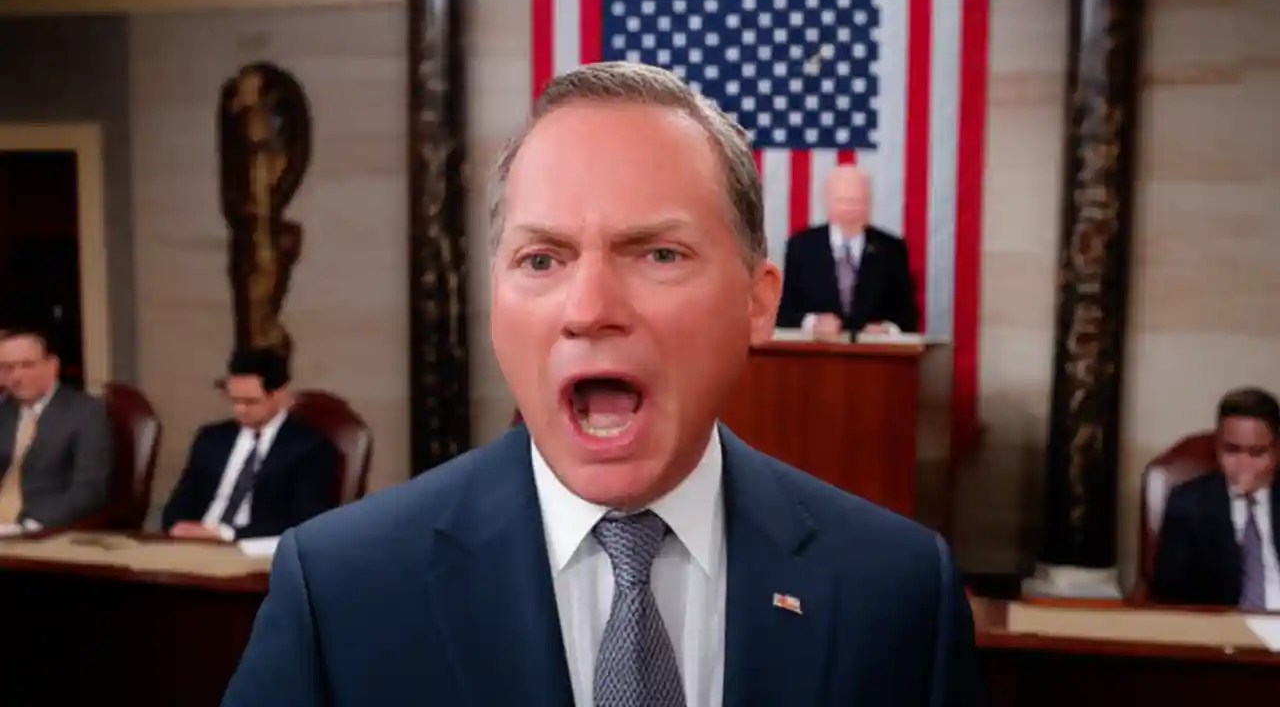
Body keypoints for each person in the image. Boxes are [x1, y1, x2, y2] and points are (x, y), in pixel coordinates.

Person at [224, 62, 982, 705]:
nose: (588, 311)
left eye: (657, 254)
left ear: (758, 301)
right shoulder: (339, 590)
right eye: (542, 261)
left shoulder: (903, 593)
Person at [162, 348, 338, 542]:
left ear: (279, 395)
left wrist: (225, 534)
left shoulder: (310, 447)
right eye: (234, 400)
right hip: (196, 542)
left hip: (254, 547)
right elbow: (180, 502)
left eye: (251, 402)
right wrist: (177, 526)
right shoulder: (211, 438)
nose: (240, 410)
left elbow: (303, 520)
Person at [1153, 387, 1280, 611]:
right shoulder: (1188, 503)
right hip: (1223, 629)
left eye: (1257, 453)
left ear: (1277, 451)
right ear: (1217, 446)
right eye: (1232, 450)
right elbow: (1170, 592)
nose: (1243, 464)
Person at [775, 166, 918, 338]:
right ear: (827, 201)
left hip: (874, 357)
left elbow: (908, 317)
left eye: (856, 201)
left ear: (869, 203)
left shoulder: (891, 249)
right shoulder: (802, 246)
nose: (848, 209)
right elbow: (784, 314)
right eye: (841, 201)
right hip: (816, 356)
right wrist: (813, 322)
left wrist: (887, 329)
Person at [0, 326, 112, 531]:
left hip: (40, 527)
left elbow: (89, 491)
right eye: (6, 368)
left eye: (27, 365)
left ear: (52, 366)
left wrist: (30, 525)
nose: (16, 377)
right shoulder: (4, 409)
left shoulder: (85, 412)